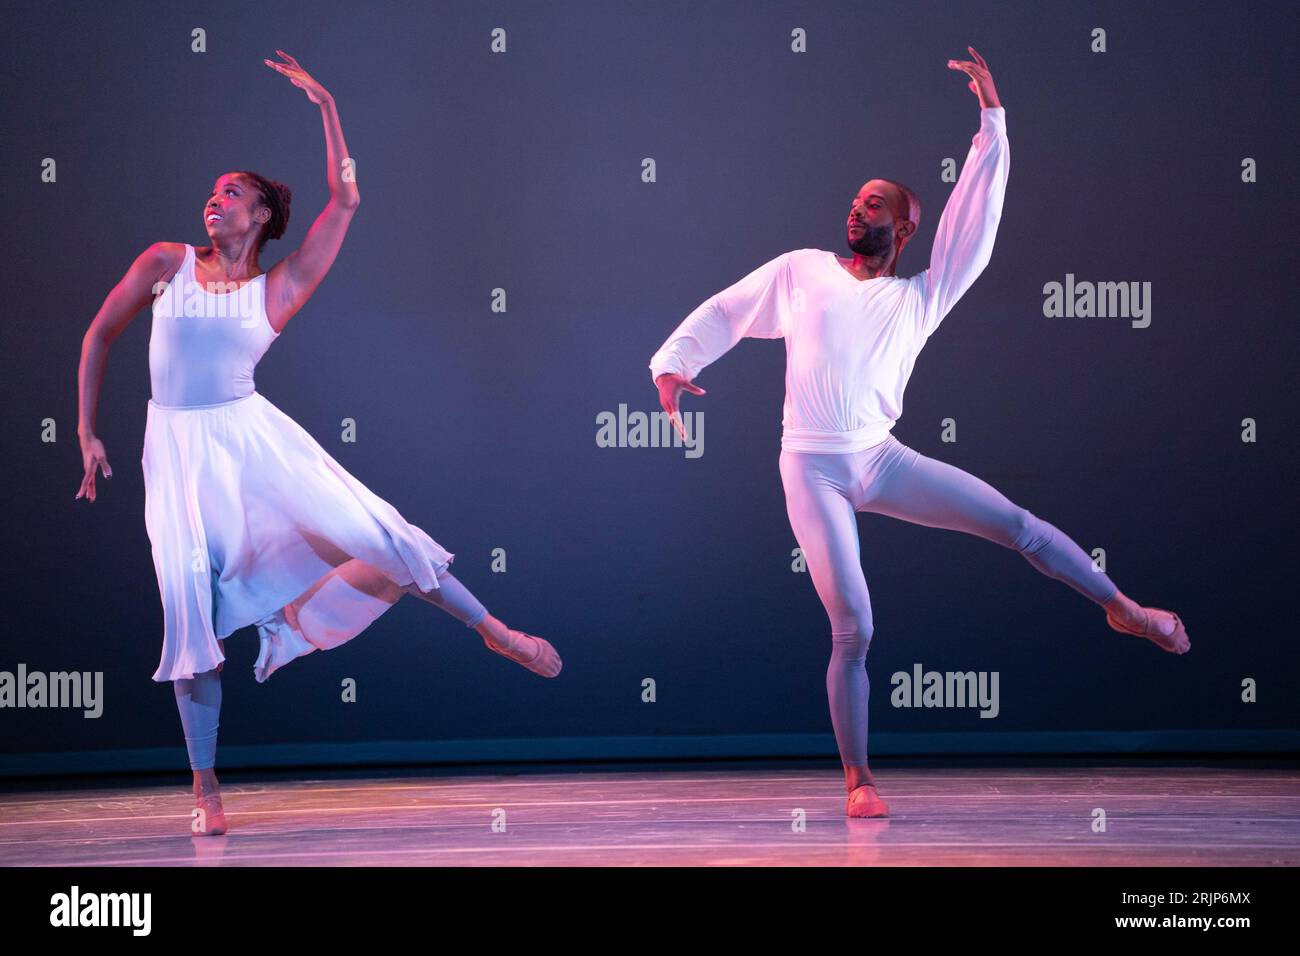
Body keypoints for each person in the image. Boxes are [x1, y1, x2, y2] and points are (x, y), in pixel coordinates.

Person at [648, 48, 1188, 820]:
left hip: (881, 458)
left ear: (904, 224)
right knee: (856, 624)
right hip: (813, 467)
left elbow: (977, 223)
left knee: (1021, 526)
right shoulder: (804, 271)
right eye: (854, 203)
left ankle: (1124, 607)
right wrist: (674, 364)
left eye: (874, 206)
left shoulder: (921, 297)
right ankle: (860, 780)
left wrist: (991, 124)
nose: (856, 212)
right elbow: (730, 311)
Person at [75, 51, 560, 837]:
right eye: (213, 190)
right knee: (188, 614)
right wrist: (87, 429)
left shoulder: (281, 289)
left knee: (380, 535)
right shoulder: (168, 263)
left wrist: (327, 102)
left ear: (261, 214)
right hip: (176, 454)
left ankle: (494, 631)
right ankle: (205, 789)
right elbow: (99, 334)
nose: (215, 198)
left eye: (232, 192)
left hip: (254, 444)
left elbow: (347, 195)